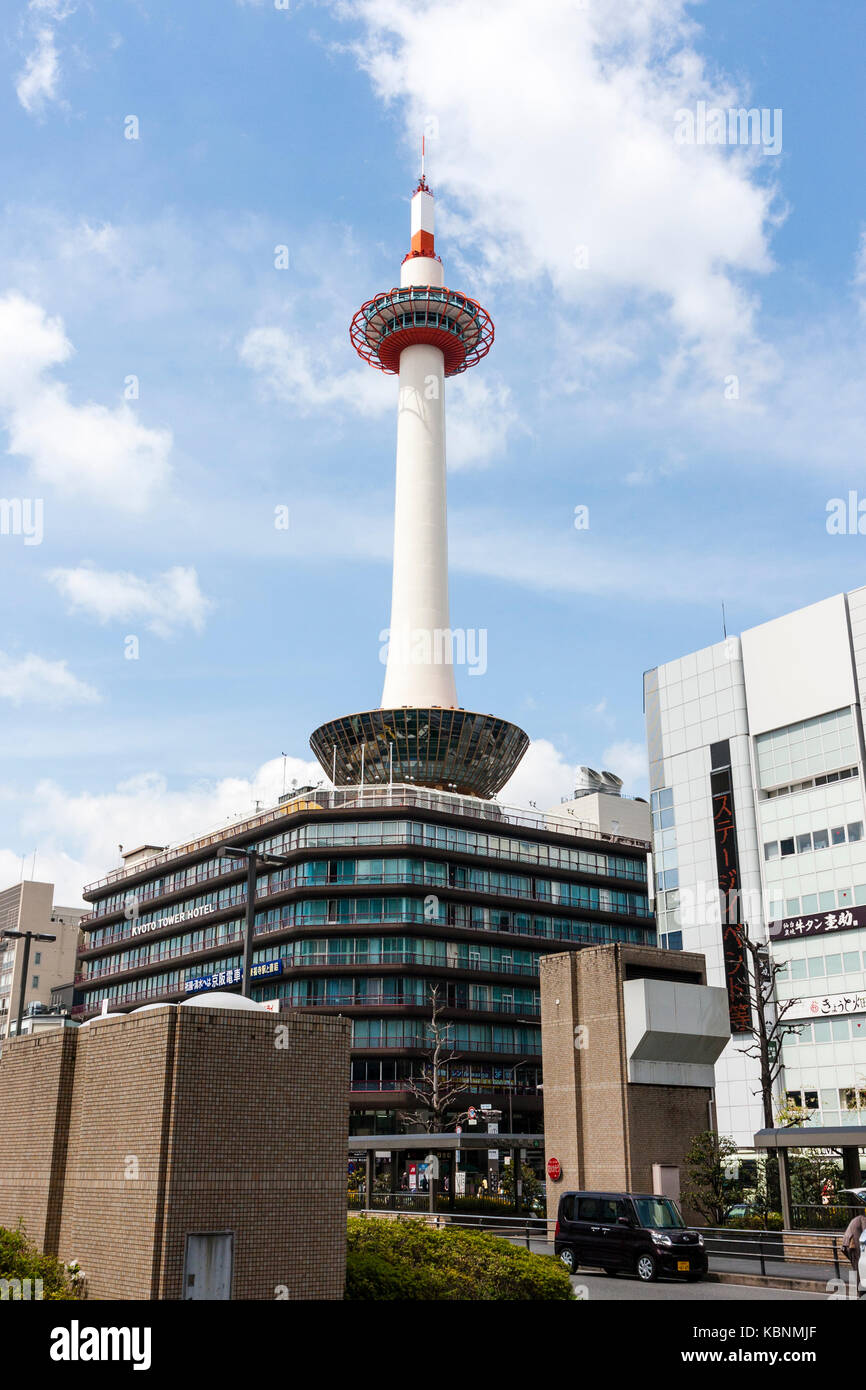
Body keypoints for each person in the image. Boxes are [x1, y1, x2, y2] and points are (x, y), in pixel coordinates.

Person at [842, 1207, 866, 1275]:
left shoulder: (857, 1218)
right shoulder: (863, 1219)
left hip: (847, 1244)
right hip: (853, 1245)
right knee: (859, 1266)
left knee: (856, 1266)